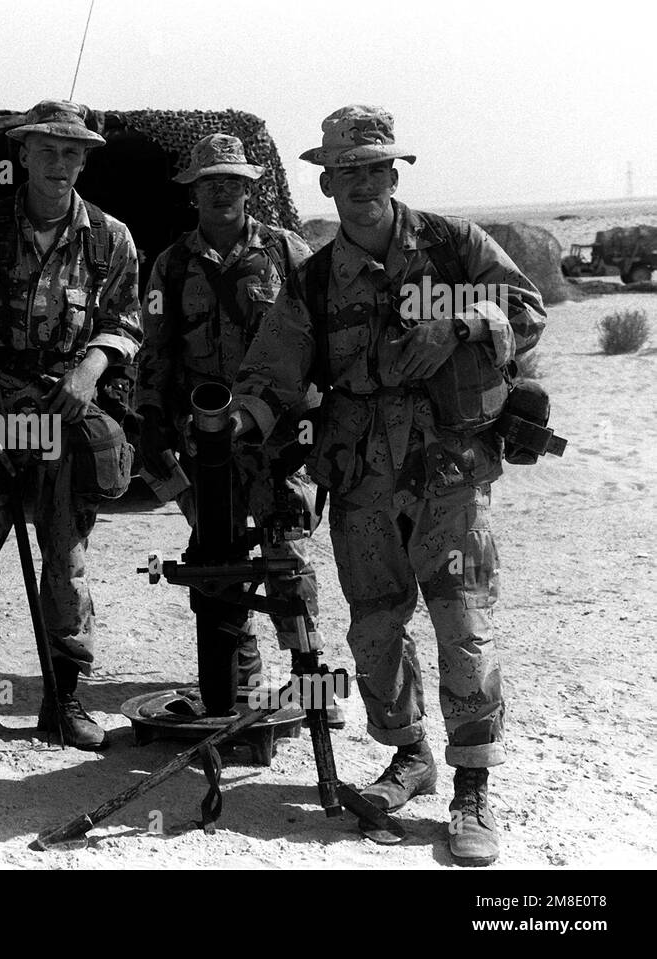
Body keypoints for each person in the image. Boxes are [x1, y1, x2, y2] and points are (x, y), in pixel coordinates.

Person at [227, 106, 546, 865]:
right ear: (327, 182)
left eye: (378, 168)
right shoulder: (310, 281)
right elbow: (272, 373)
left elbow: (528, 310)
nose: (365, 183)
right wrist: (236, 422)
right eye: (350, 171)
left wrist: (465, 321)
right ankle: (409, 754)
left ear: (394, 174)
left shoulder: (451, 245)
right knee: (373, 630)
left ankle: (472, 786)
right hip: (363, 478)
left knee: (462, 623)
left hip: (449, 474)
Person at [0, 100, 142, 751]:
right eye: (48, 149)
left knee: (66, 564)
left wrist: (91, 368)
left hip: (62, 423)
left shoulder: (110, 239)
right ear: (22, 154)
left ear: (84, 159)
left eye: (72, 151)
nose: (60, 162)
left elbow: (128, 321)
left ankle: (66, 698)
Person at [137, 133, 339, 724]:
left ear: (251, 189)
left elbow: (322, 337)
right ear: (193, 194)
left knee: (288, 558)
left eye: (233, 182)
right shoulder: (171, 265)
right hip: (206, 446)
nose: (221, 192)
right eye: (209, 184)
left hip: (280, 441)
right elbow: (157, 351)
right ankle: (241, 677)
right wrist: (150, 418)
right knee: (217, 561)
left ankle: (311, 683)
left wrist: (318, 415)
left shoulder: (288, 254)